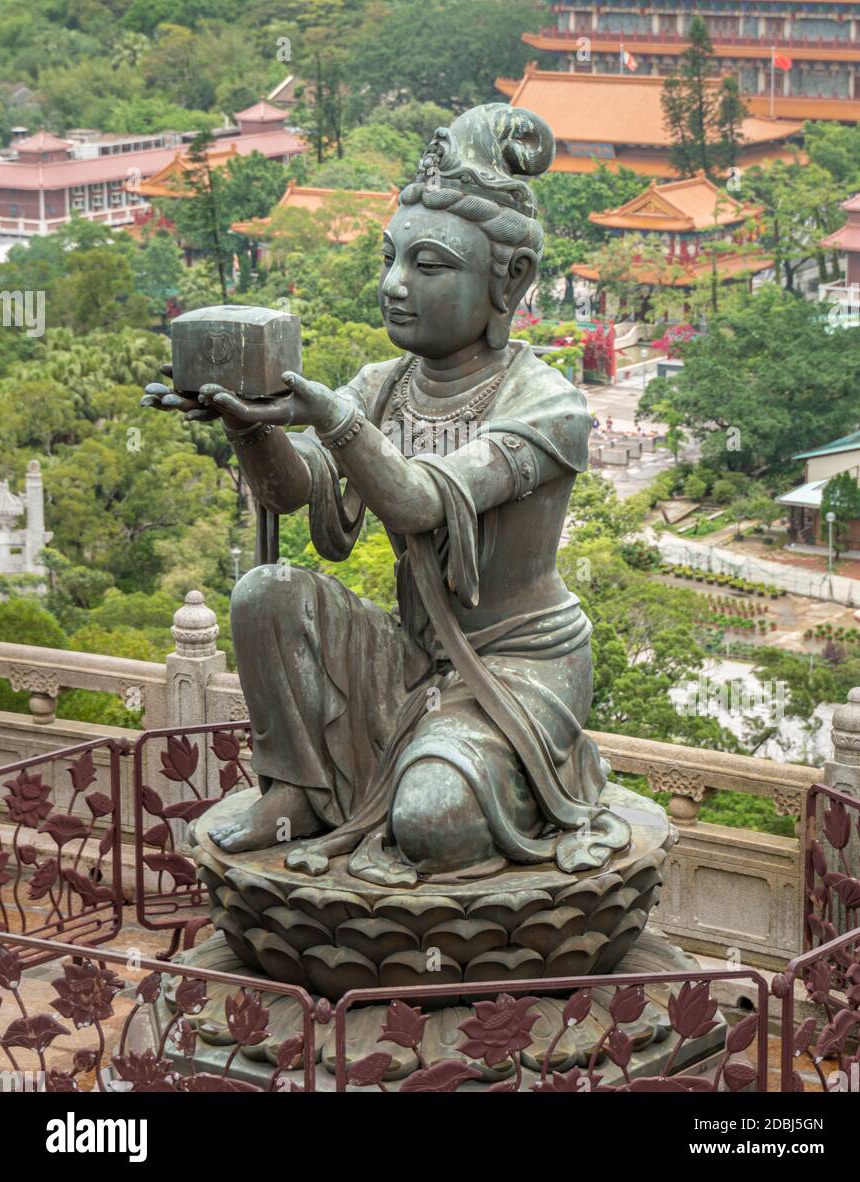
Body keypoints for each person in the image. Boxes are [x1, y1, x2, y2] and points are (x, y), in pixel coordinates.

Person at [142, 104, 630, 887]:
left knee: (430, 823)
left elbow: (416, 501)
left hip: (516, 668)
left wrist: (328, 414)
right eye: (390, 258)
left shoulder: (546, 404)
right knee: (266, 592)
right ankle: (297, 789)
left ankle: (493, 780)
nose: (394, 286)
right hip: (410, 660)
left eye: (429, 265)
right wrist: (248, 423)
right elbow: (296, 490)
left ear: (510, 280)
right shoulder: (385, 384)